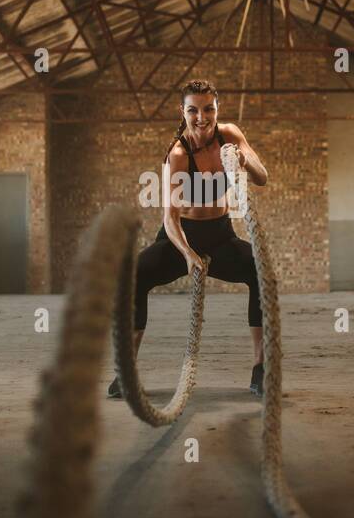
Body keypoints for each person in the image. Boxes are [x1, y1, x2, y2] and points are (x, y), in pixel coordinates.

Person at [108, 78, 269, 399]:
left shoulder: (230, 134)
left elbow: (261, 177)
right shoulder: (178, 154)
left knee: (259, 270)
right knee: (137, 274)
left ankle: (260, 367)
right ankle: (125, 371)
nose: (202, 117)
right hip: (180, 237)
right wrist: (188, 255)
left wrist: (242, 159)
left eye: (208, 109)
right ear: (183, 112)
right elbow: (169, 218)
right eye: (193, 110)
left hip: (221, 236)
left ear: (216, 109)